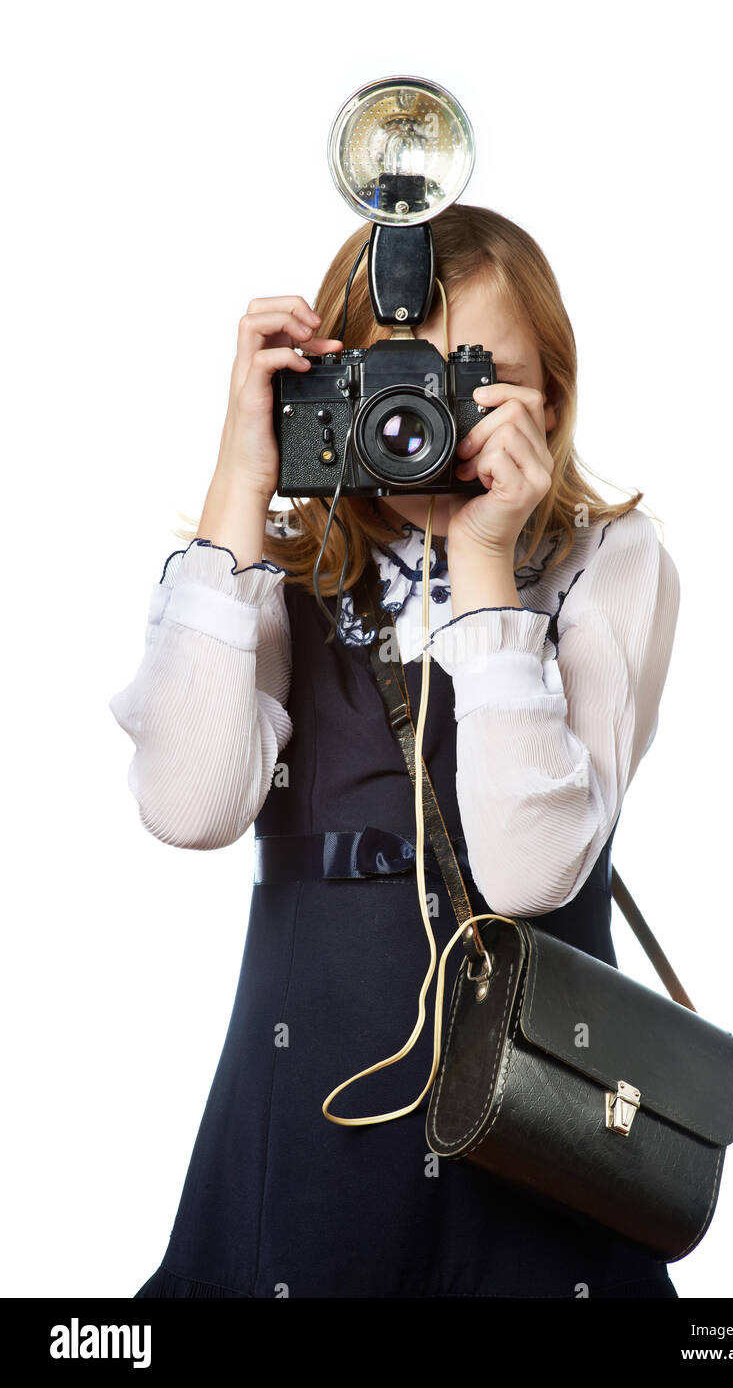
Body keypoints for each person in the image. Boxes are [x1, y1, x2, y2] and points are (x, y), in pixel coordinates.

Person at [110, 204, 681, 1298]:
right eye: (393, 379)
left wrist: (484, 555)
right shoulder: (258, 570)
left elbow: (525, 872)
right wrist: (242, 477)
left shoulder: (606, 562)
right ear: (324, 386)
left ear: (548, 397)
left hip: (541, 1108)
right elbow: (185, 807)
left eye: (475, 382)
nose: (427, 419)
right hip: (310, 1090)